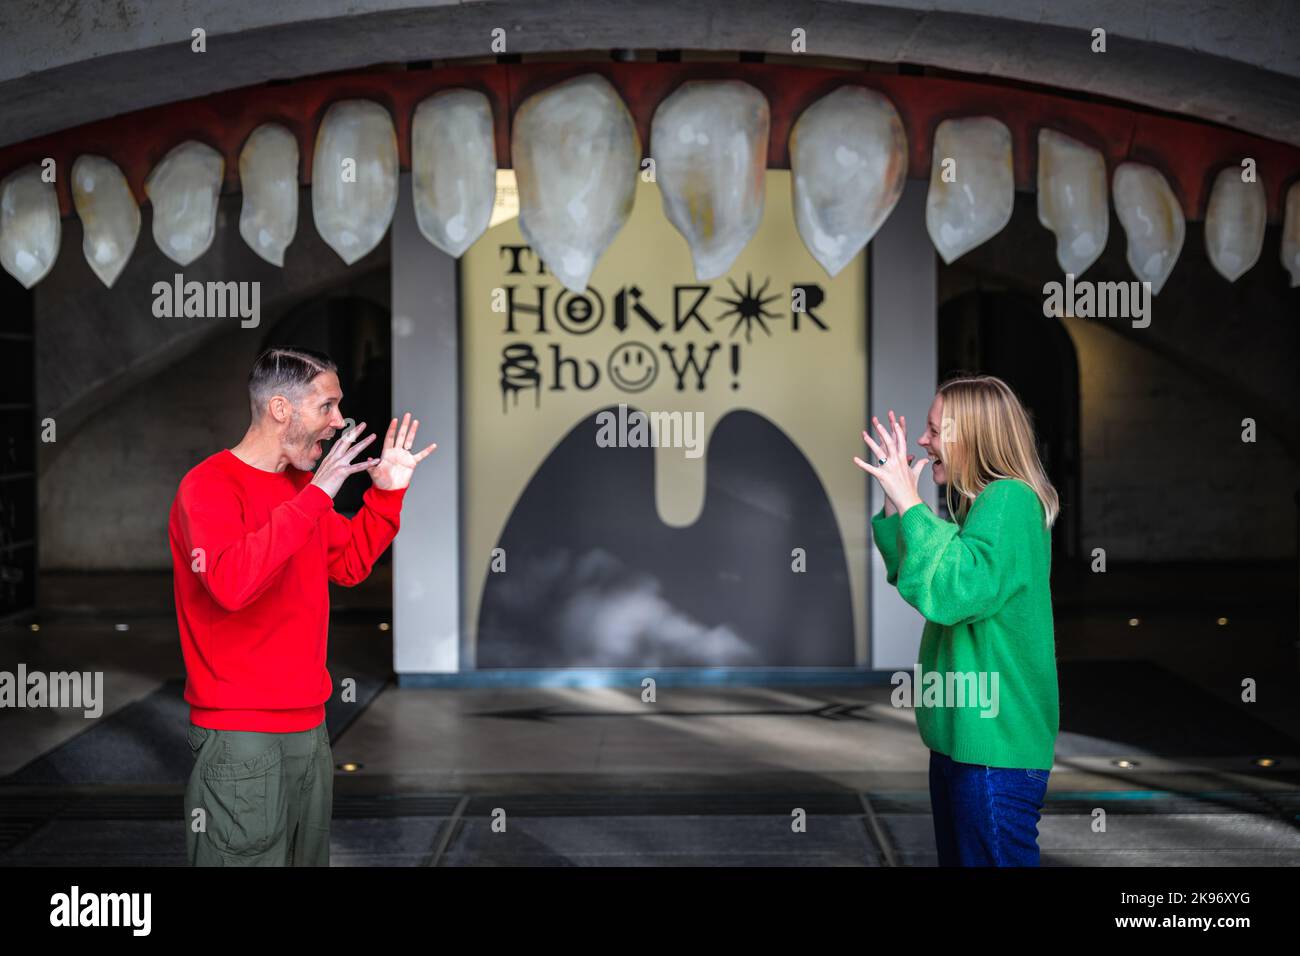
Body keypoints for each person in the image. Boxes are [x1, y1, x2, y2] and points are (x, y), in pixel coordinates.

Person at [169, 347, 436, 866]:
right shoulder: (207, 487)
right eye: (328, 407)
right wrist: (319, 495)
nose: (339, 423)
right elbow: (231, 584)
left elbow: (352, 563)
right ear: (280, 409)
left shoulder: (300, 489)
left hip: (309, 731)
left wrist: (387, 494)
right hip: (240, 736)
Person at [854, 374, 1060, 867]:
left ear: (970, 437)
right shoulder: (984, 505)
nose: (924, 442)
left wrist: (911, 501)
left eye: (933, 430)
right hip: (963, 744)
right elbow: (922, 578)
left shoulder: (1009, 500)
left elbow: (956, 592)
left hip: (993, 750)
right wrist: (894, 501)